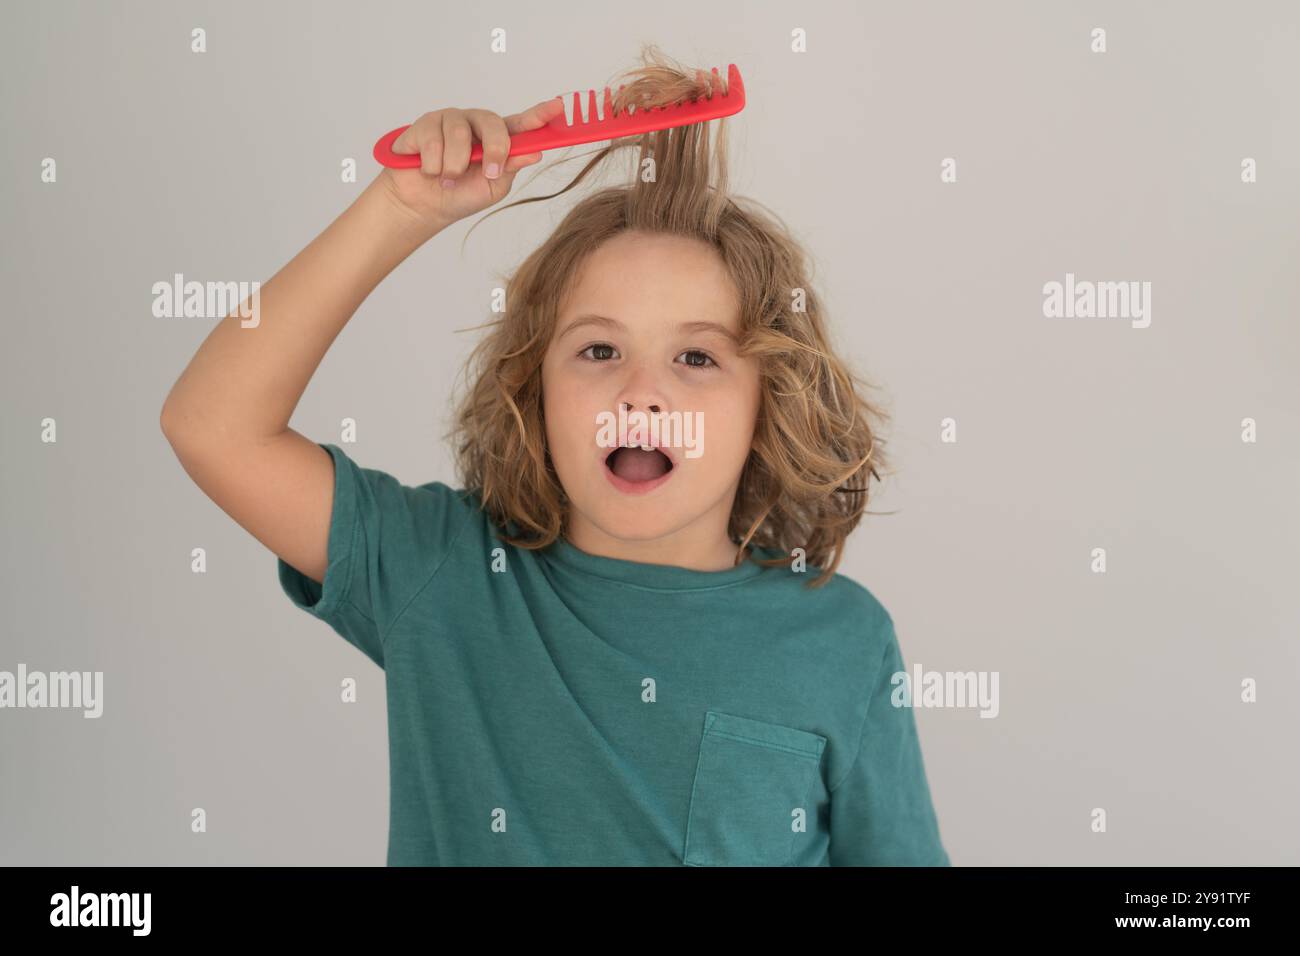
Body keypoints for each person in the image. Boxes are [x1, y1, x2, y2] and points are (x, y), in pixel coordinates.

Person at [160, 44, 950, 867]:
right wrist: (403, 209)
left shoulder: (843, 642)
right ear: (533, 391)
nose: (641, 393)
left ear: (768, 407)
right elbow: (212, 425)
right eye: (600, 351)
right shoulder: (441, 573)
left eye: (697, 357)